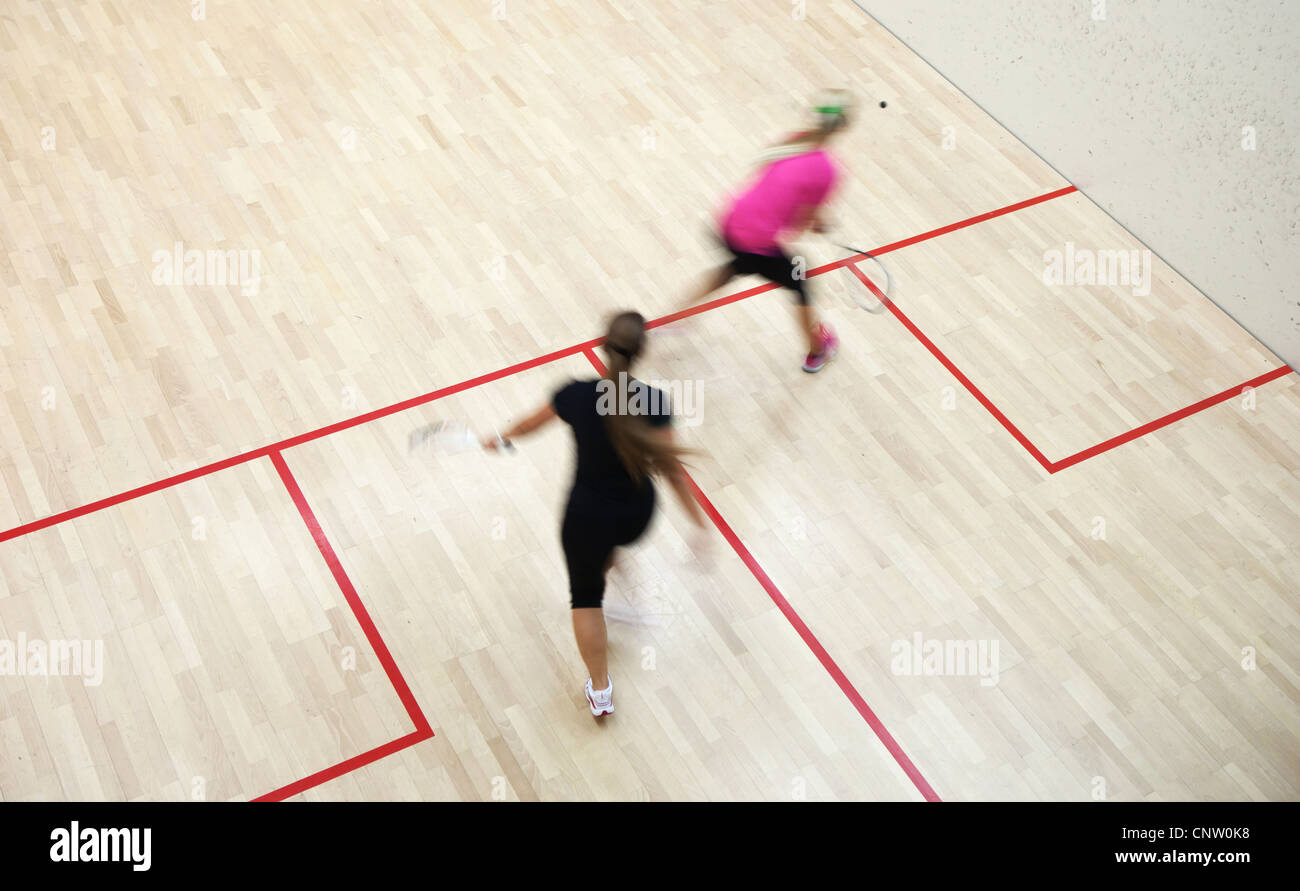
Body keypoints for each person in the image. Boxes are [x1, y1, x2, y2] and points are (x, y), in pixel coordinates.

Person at [485, 311, 706, 716]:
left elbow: (530, 425)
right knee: (607, 547)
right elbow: (673, 472)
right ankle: (617, 581)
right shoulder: (655, 403)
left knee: (585, 598)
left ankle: (600, 690)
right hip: (635, 516)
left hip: (585, 519)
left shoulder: (575, 395)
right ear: (642, 351)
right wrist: (698, 525)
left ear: (602, 343)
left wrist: (501, 438)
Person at [679, 90, 851, 372]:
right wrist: (822, 224)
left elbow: (772, 183)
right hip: (756, 242)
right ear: (842, 127)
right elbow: (804, 222)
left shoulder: (792, 141)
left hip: (728, 220)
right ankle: (816, 350)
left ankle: (677, 315)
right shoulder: (827, 170)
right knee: (801, 285)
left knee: (733, 268)